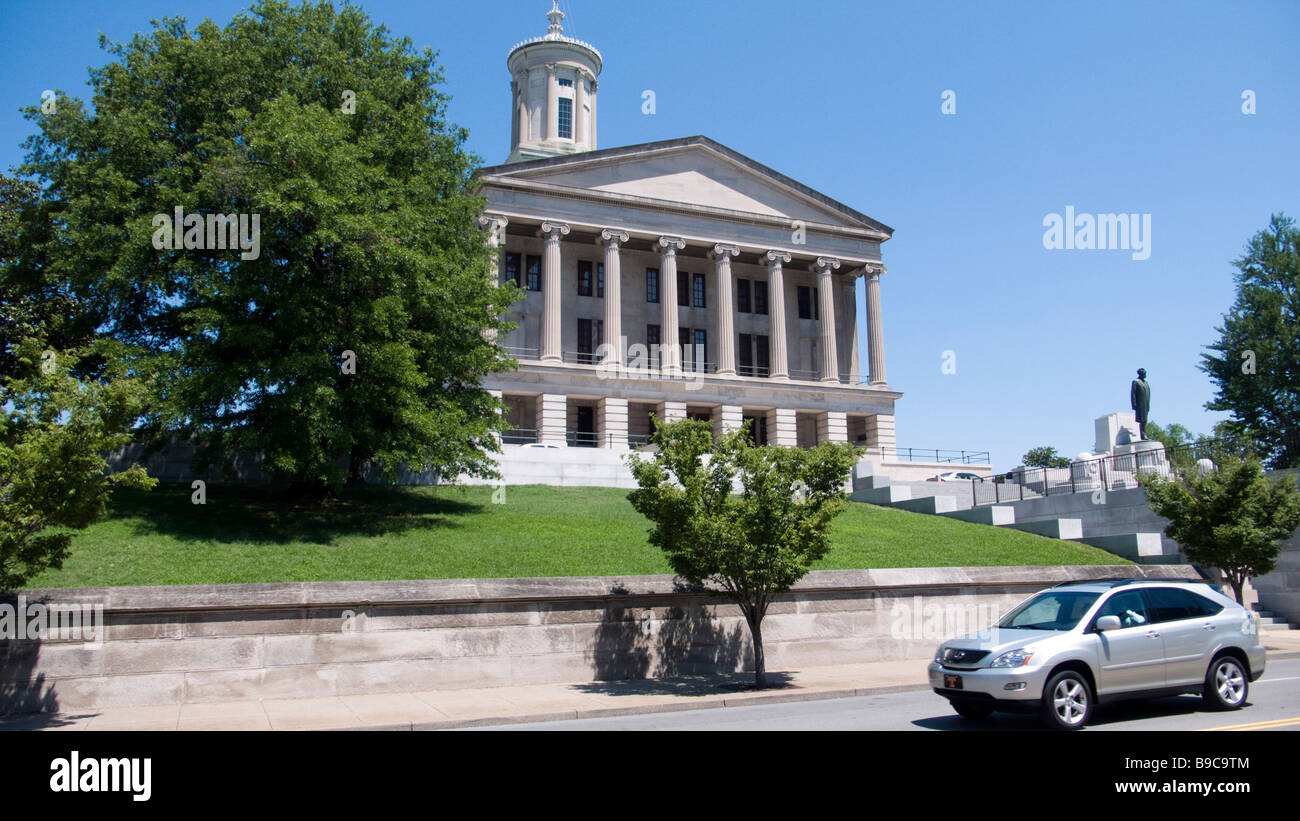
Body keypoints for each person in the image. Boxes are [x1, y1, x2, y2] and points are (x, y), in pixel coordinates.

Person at [1130, 368, 1150, 440]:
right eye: (1144, 373)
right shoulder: (1136, 382)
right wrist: (1134, 404)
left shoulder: (1146, 383)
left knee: (1145, 419)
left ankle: (1144, 433)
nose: (1145, 375)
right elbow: (1133, 394)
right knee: (1141, 420)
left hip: (1146, 404)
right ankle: (1142, 434)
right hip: (1140, 404)